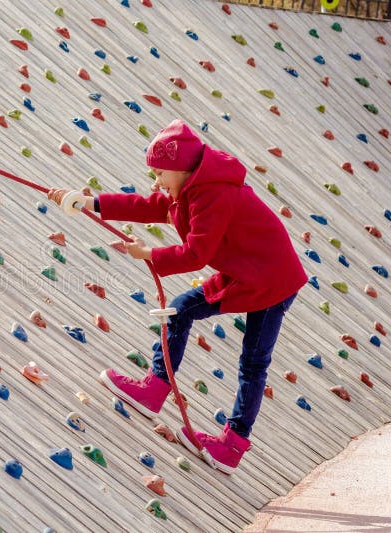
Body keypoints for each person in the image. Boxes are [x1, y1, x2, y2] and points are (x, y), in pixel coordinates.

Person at [47, 119, 307, 474]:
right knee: (180, 311)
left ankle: (231, 444)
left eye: (158, 174)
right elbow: (150, 205)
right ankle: (154, 389)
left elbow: (195, 254)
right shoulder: (191, 188)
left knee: (253, 362)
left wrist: (150, 255)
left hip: (271, 282)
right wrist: (90, 202)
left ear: (180, 169)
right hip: (247, 272)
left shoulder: (213, 194)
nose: (156, 182)